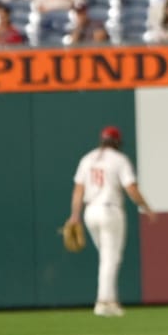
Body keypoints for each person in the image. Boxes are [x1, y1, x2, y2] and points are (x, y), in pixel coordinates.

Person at [63, 126, 154, 318]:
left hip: (90, 212)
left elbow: (78, 190)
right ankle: (103, 302)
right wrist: (146, 207)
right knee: (110, 259)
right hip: (110, 210)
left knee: (107, 258)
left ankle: (110, 300)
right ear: (117, 142)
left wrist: (74, 215)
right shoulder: (119, 160)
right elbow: (131, 188)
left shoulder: (87, 159)